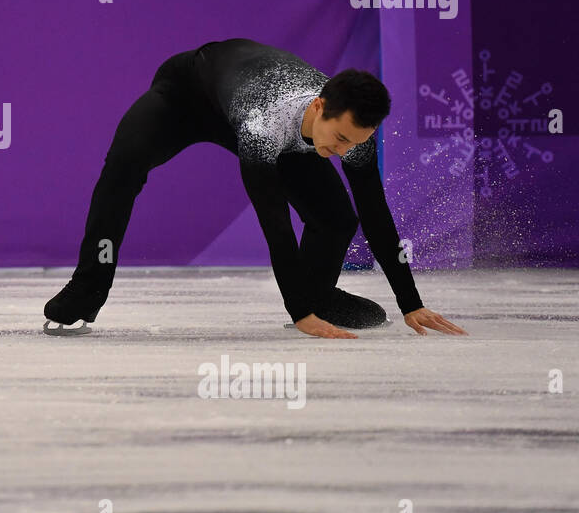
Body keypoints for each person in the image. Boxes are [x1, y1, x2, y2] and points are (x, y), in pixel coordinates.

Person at [43, 39, 467, 340]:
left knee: (337, 218)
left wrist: (410, 301)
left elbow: (377, 216)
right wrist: (297, 313)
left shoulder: (352, 135)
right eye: (339, 139)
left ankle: (318, 293)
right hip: (185, 97)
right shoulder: (264, 126)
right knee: (122, 169)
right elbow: (275, 223)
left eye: (354, 143)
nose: (343, 152)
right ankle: (87, 288)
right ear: (319, 106)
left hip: (262, 110)